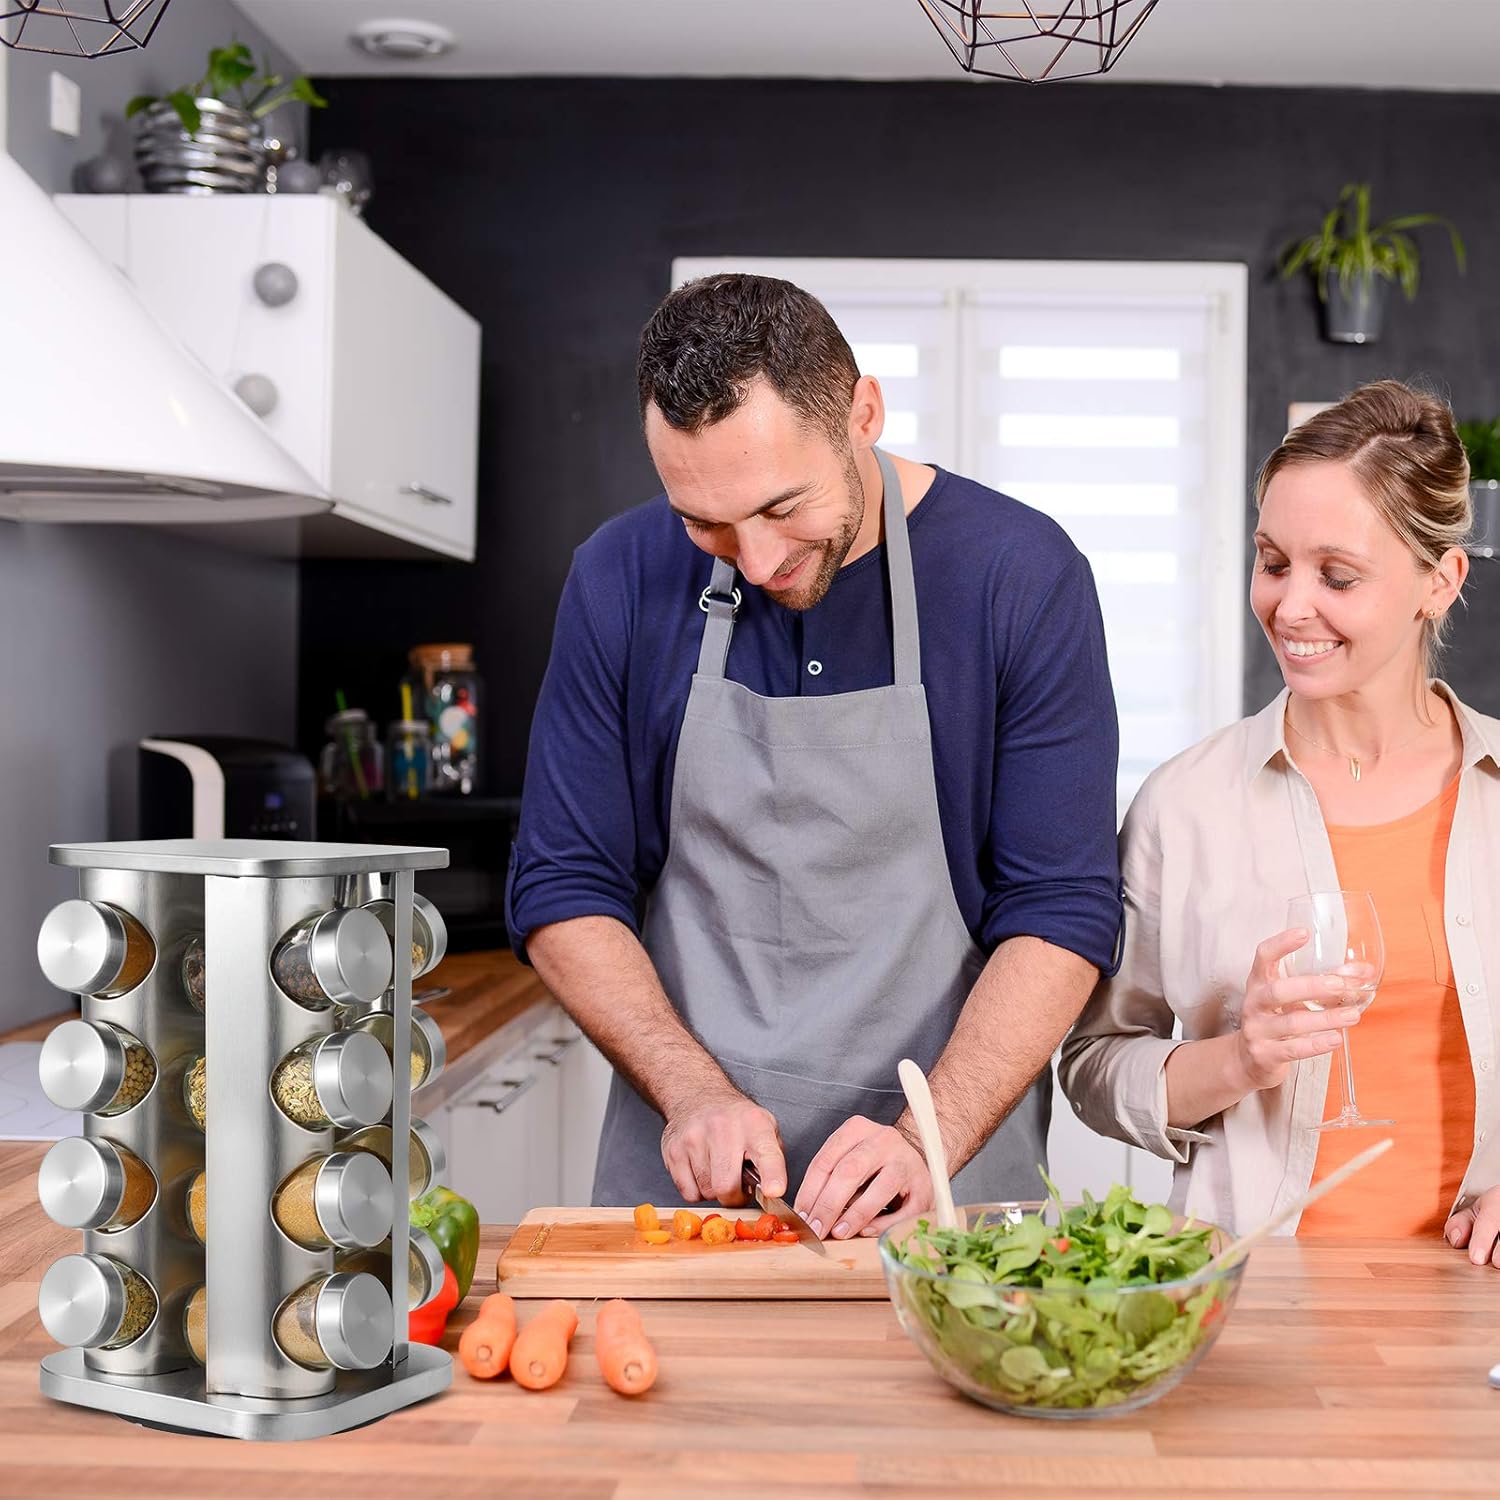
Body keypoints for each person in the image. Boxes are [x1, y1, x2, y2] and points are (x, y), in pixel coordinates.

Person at [507, 273, 1121, 1239]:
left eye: (782, 506)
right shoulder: (618, 574)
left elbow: (1062, 909)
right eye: (704, 522)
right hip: (688, 1195)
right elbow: (562, 884)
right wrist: (691, 1091)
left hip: (943, 1193)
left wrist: (926, 1139)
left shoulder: (1021, 576)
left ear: (863, 413)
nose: (752, 562)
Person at [1060, 379, 1500, 1267]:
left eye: (1337, 575)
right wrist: (1239, 1059)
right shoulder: (1183, 807)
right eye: (1273, 562)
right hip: (1253, 1309)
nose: (1290, 606)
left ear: (1438, 582)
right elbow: (1093, 1065)